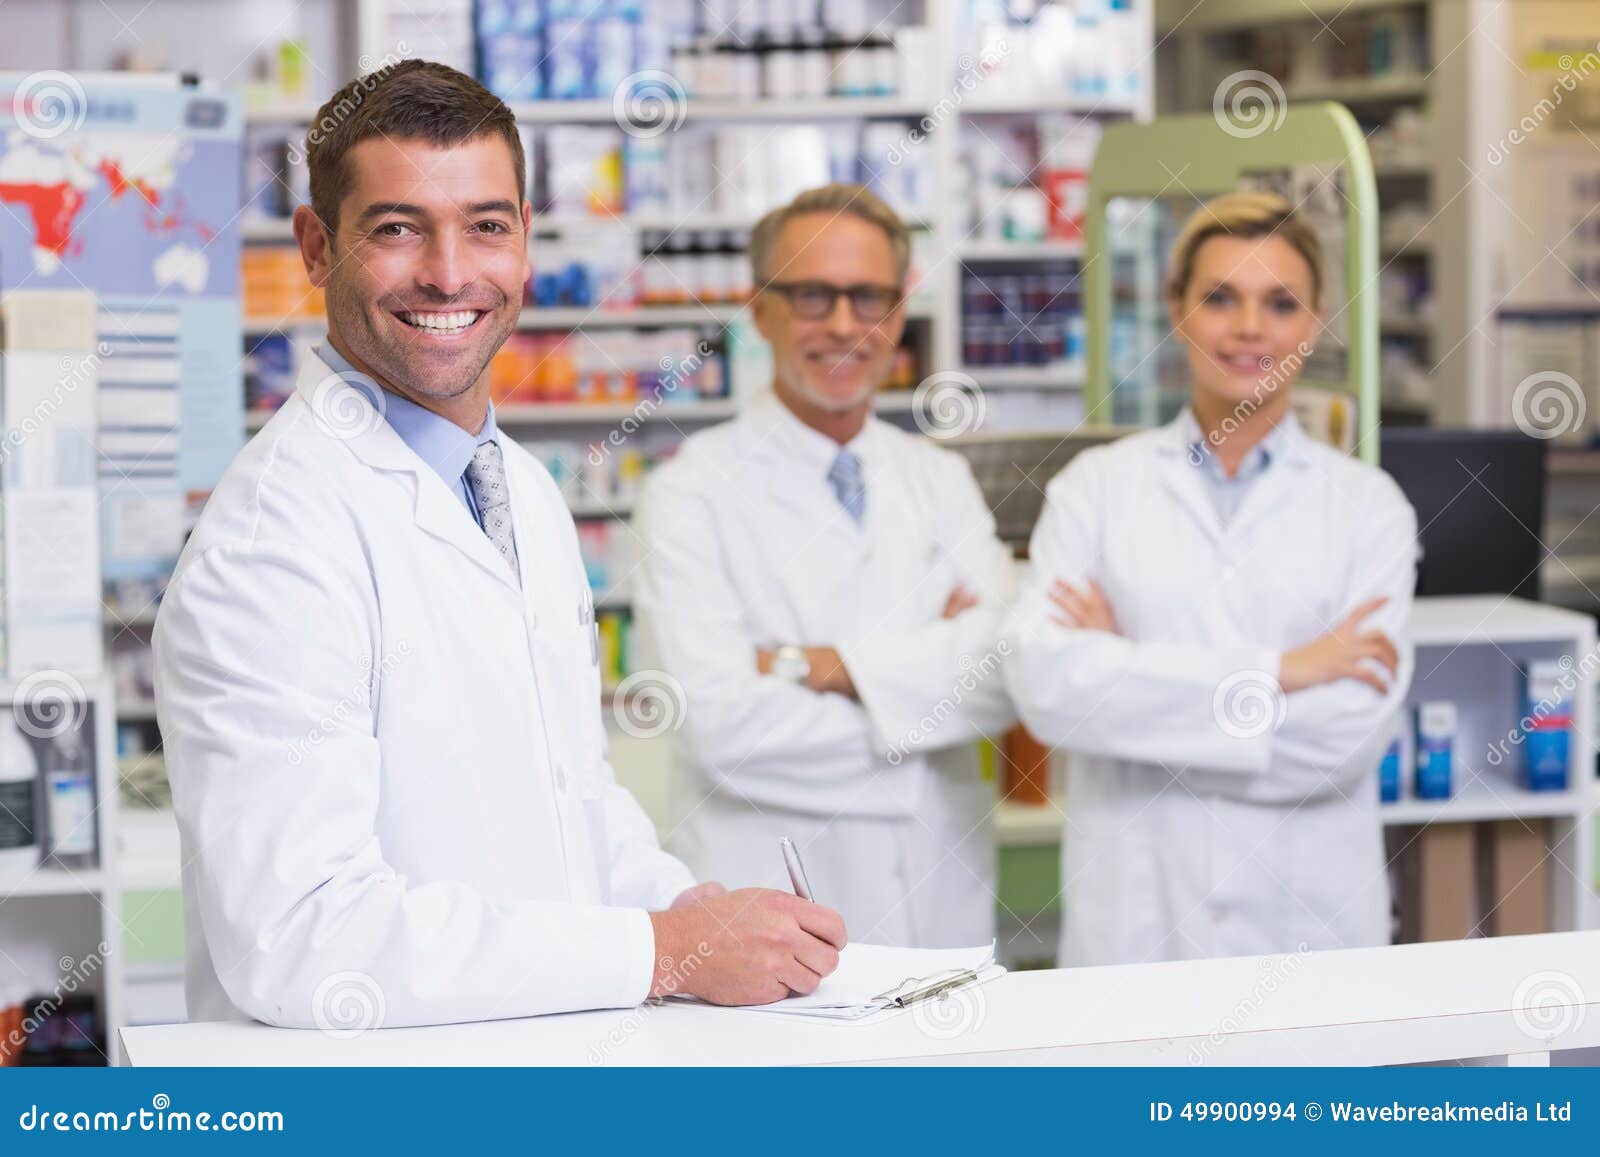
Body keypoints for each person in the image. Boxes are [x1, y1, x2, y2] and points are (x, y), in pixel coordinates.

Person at [153, 61, 845, 1029]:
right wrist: (670, 950)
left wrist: (685, 903)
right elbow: (303, 936)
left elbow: (571, 790)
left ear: (524, 238)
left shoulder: (517, 485)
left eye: (486, 224)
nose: (448, 271)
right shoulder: (275, 540)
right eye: (397, 228)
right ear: (317, 247)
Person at [1004, 191, 1417, 967]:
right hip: (1136, 931)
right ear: (1175, 310)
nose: (1250, 327)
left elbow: (1341, 742)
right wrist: (1282, 673)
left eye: (1281, 302)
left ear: (1318, 318)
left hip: (1306, 935)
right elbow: (1047, 688)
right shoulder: (1094, 488)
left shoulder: (1369, 508)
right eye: (1220, 297)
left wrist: (1128, 679)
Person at [631, 184, 1017, 949]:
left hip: (942, 900)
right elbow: (721, 727)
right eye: (813, 296)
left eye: (868, 297)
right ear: (761, 310)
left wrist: (823, 666)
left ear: (898, 315)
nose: (844, 324)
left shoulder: (939, 480)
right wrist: (923, 705)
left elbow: (1007, 670)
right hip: (766, 913)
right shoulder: (689, 492)